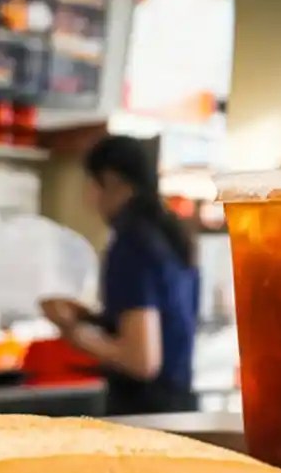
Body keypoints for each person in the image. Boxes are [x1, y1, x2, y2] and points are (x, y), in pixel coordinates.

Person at [42, 136, 200, 414]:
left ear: (112, 181)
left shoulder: (132, 244)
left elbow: (141, 360)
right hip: (178, 405)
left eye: (90, 184)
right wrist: (88, 316)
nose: (88, 198)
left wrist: (71, 330)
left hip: (146, 415)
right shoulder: (169, 235)